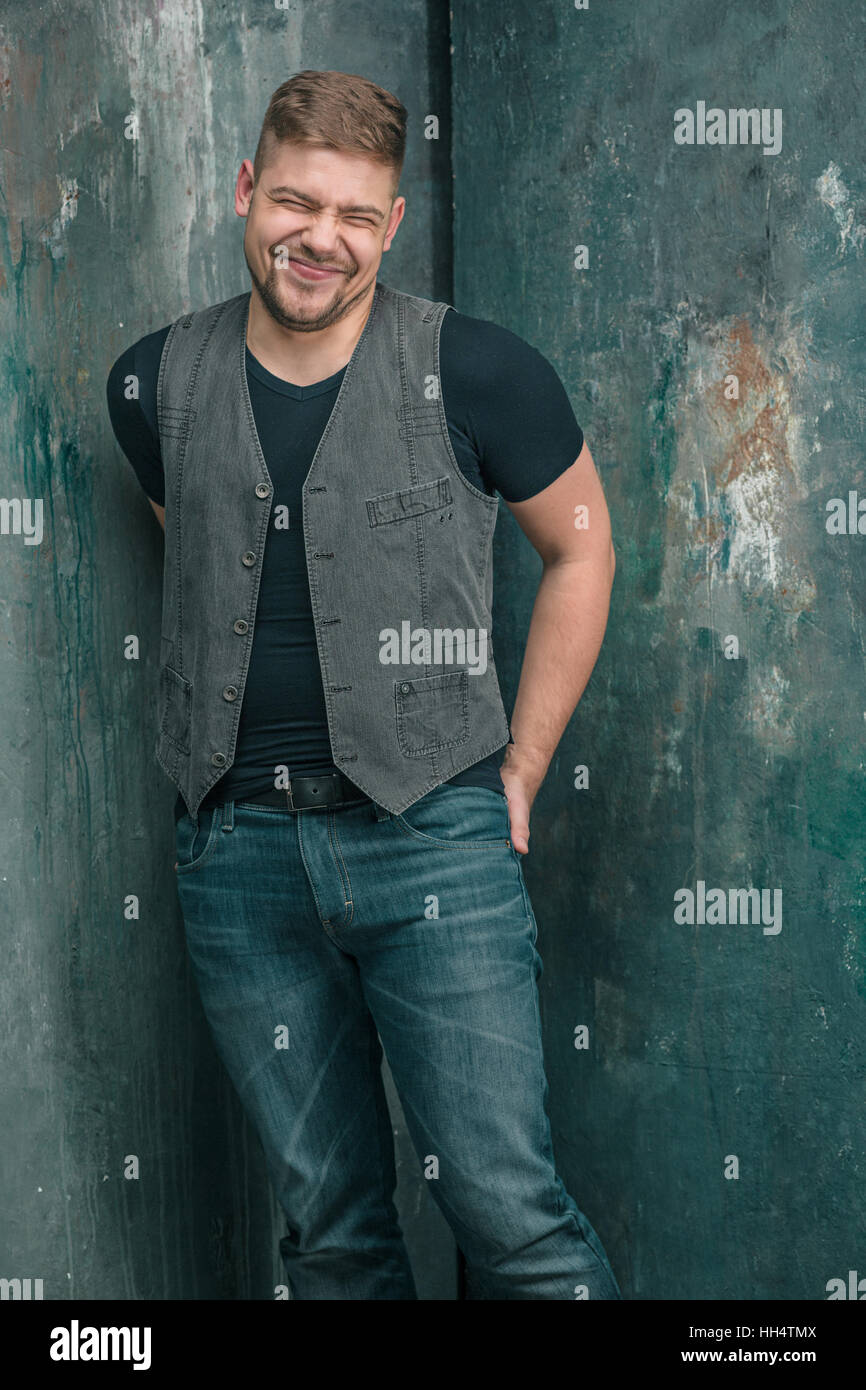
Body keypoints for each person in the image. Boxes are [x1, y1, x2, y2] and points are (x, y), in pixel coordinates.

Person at [106, 68, 621, 1301]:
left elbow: (582, 544)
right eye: (294, 202)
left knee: (512, 1223)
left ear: (390, 225)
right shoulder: (150, 383)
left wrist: (524, 764)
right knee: (330, 1237)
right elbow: (210, 542)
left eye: (353, 214)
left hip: (429, 837)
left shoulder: (483, 371)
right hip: (236, 858)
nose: (318, 239)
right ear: (246, 192)